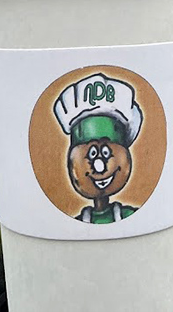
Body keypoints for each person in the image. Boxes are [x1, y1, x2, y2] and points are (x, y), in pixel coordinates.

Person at [53, 72, 143, 224]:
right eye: (92, 153)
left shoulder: (129, 215)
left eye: (106, 153)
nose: (99, 166)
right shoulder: (80, 221)